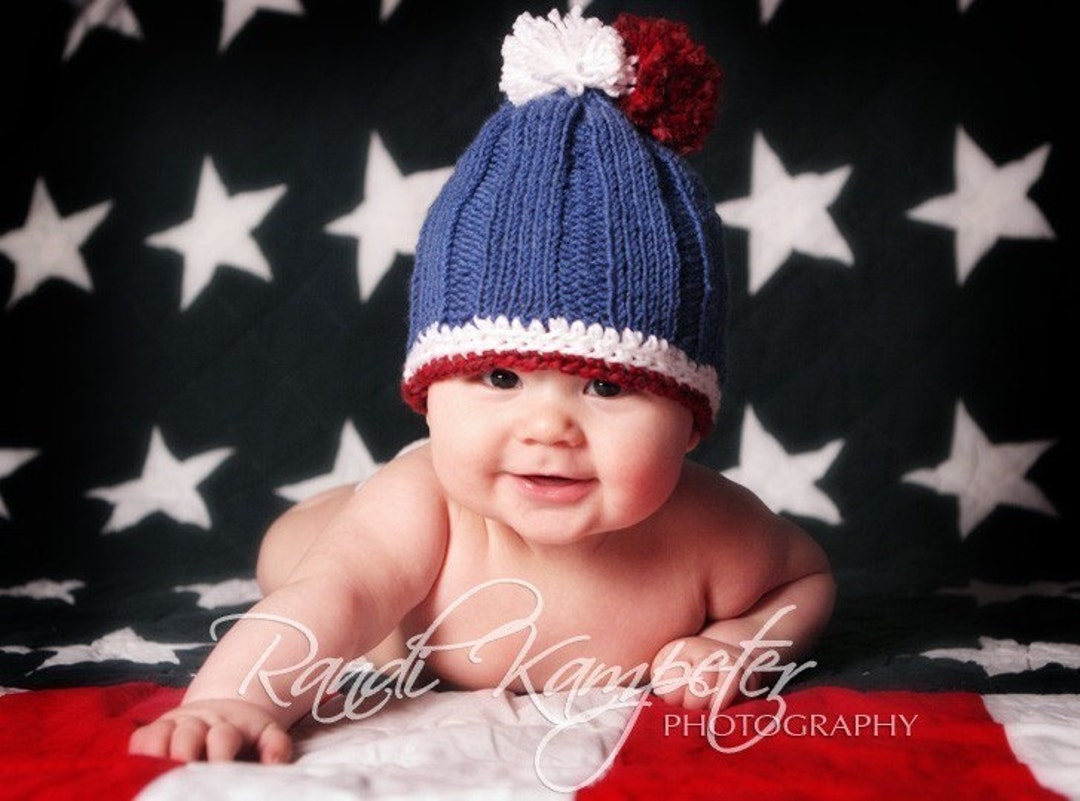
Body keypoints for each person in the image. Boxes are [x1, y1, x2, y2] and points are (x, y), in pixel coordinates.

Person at [129, 7, 835, 765]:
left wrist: (741, 642)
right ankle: (337, 514)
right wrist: (233, 698)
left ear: (691, 420)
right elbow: (329, 604)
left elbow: (809, 577)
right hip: (350, 557)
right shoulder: (426, 507)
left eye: (604, 386)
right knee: (321, 559)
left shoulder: (712, 531)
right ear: (427, 395)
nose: (549, 428)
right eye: (501, 376)